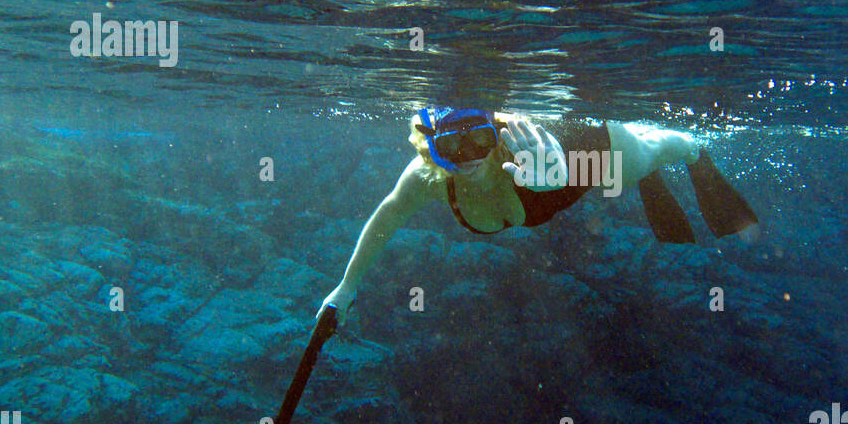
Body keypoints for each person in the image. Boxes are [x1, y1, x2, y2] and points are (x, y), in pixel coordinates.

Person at [318, 108, 757, 322]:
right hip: (549, 178)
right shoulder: (428, 176)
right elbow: (388, 216)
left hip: (583, 154)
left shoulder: (524, 141)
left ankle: (697, 150)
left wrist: (557, 175)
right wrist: (346, 287)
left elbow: (554, 154)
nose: (468, 156)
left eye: (480, 141)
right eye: (452, 147)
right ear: (432, 149)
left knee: (649, 157)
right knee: (634, 168)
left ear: (497, 135)